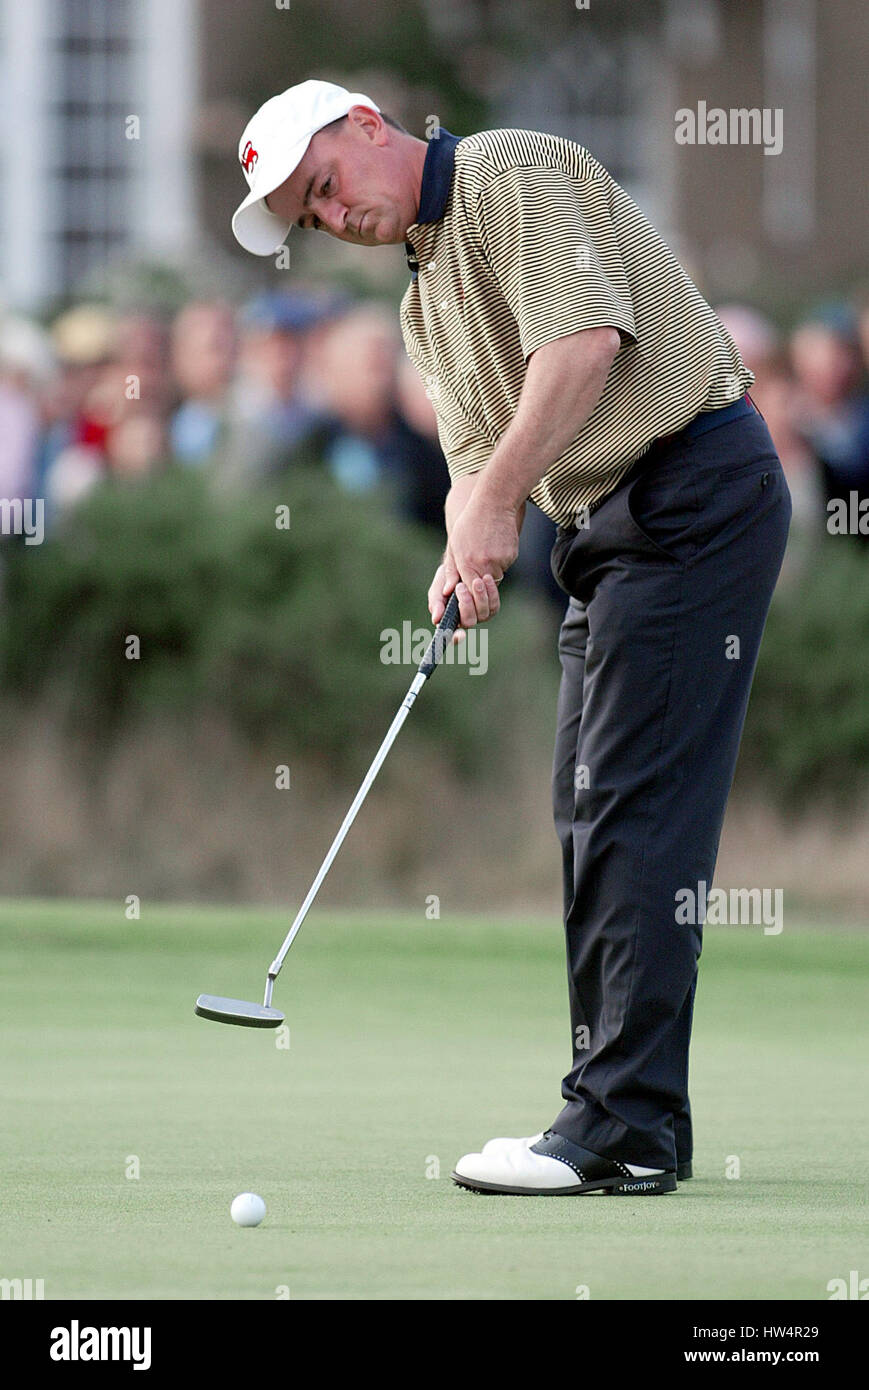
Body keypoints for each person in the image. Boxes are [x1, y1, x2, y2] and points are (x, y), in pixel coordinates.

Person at [231, 79, 792, 1196]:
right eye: (309, 215)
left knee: (632, 808)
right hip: (606, 532)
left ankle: (617, 1128)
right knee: (588, 808)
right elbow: (468, 463)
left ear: (367, 126)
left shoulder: (509, 172)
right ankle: (626, 1114)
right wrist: (463, 537)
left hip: (689, 492)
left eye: (327, 186)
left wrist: (495, 507)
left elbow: (582, 347)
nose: (332, 217)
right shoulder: (418, 299)